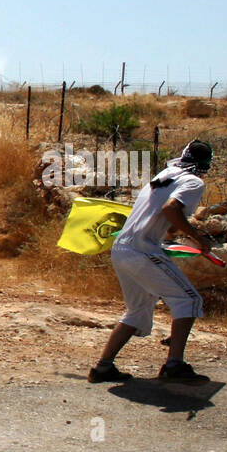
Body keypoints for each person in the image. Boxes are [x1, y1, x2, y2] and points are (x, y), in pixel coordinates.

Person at [89, 140, 216, 384]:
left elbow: (159, 214)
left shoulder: (164, 176)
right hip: (142, 250)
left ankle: (103, 367)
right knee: (188, 300)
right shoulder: (193, 182)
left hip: (122, 249)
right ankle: (174, 365)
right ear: (207, 164)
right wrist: (198, 237)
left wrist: (167, 234)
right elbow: (171, 209)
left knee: (137, 310)